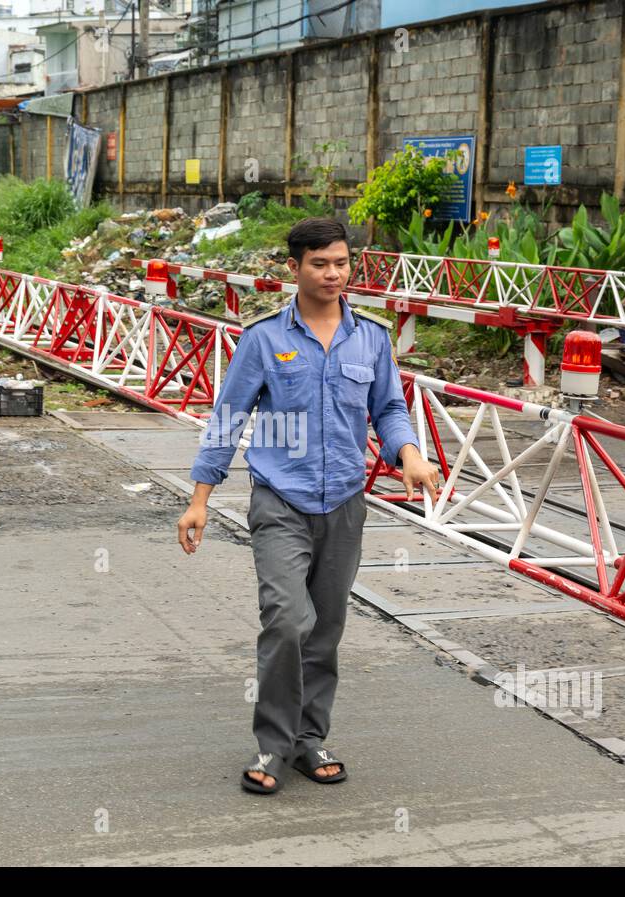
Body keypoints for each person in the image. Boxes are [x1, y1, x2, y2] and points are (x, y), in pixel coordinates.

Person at [176, 217, 440, 794]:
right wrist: (200, 499)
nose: (333, 274)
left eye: (341, 263)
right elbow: (228, 419)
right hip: (280, 502)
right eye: (320, 264)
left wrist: (410, 455)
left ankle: (308, 739)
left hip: (345, 503)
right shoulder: (264, 339)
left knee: (324, 631)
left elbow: (389, 409)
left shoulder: (370, 337)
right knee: (288, 621)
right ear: (293, 268)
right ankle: (273, 745)